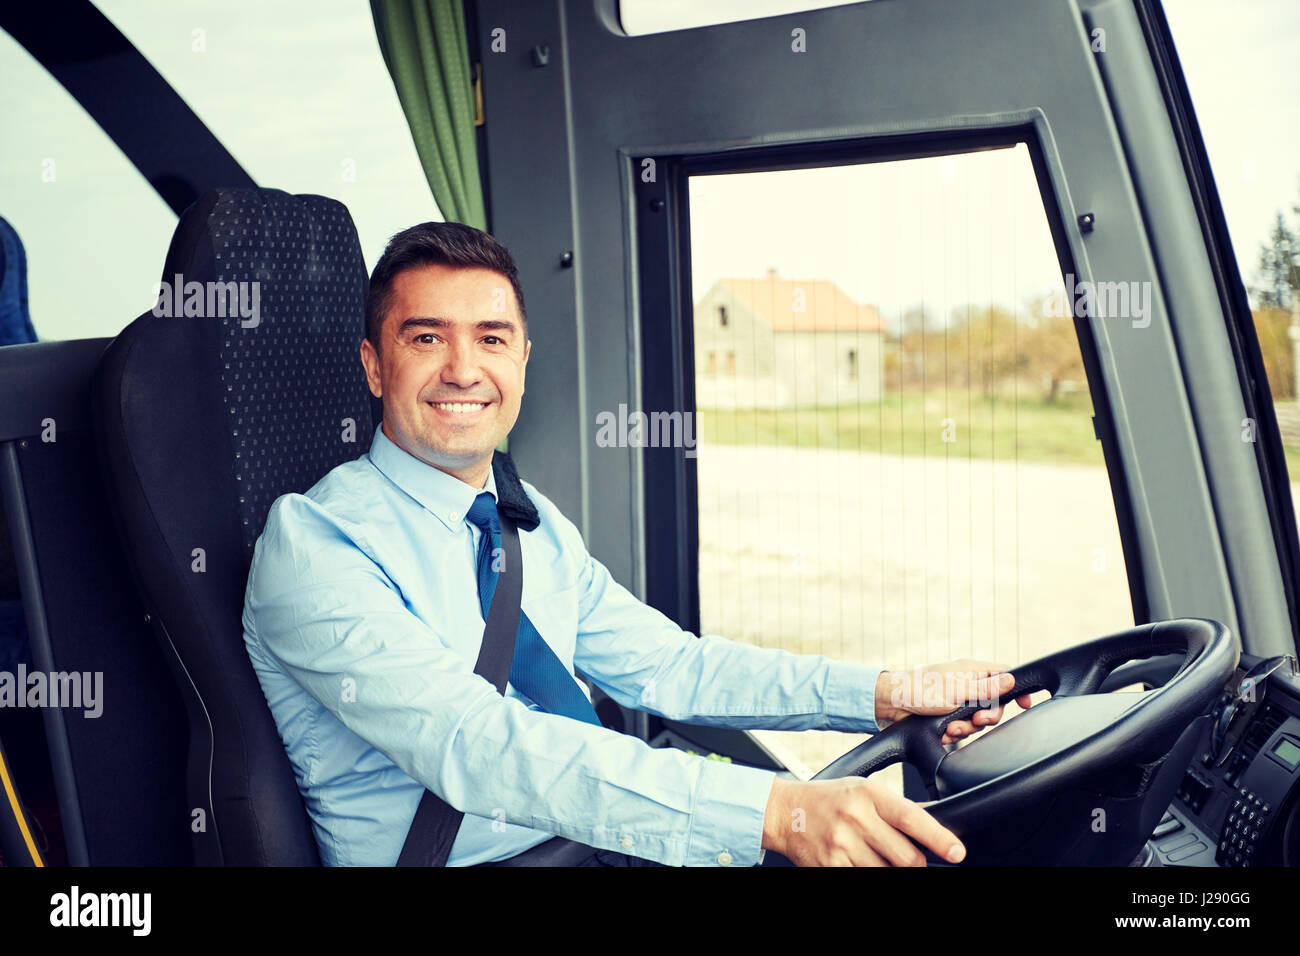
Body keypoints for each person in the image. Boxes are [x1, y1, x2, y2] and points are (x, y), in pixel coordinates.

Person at [242, 221, 1033, 867]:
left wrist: (888, 694)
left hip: (603, 847)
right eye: (425, 339)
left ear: (520, 361)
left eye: (490, 338)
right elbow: (474, 745)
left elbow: (672, 666)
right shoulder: (316, 545)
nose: (463, 368)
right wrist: (777, 811)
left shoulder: (529, 523)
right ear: (375, 368)